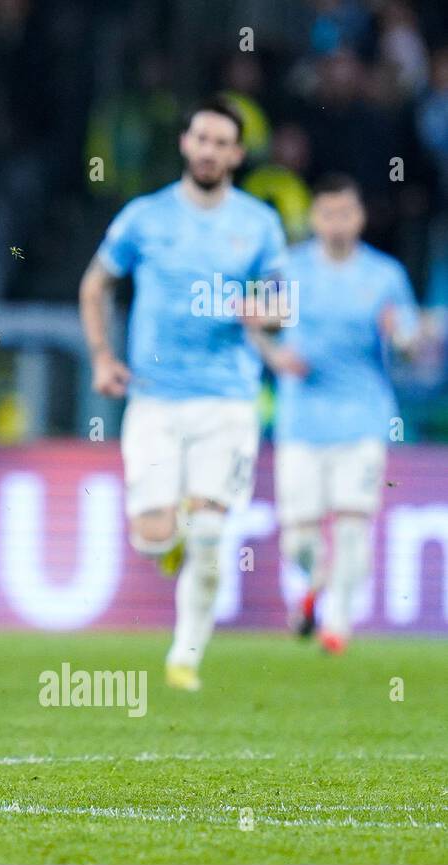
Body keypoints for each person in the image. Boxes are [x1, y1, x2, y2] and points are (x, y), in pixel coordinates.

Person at [79, 96, 289, 691]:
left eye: (223, 143)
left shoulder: (259, 223)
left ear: (238, 155)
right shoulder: (144, 217)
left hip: (228, 399)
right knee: (156, 537)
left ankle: (185, 658)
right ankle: (168, 545)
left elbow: (281, 304)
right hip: (154, 398)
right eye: (202, 138)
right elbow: (96, 284)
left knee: (209, 531)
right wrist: (101, 355)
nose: (210, 150)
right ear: (185, 143)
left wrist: (265, 311)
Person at [265, 174, 420, 654]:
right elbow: (252, 324)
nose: (337, 224)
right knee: (298, 543)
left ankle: (339, 626)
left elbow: (412, 346)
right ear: (314, 218)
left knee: (354, 523)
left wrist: (401, 337)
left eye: (346, 214)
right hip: (301, 420)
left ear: (360, 219)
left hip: (363, 416)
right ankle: (316, 586)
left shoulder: (385, 275)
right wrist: (275, 357)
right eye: (328, 214)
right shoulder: (287, 269)